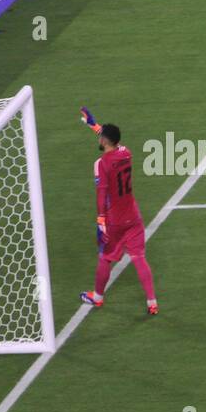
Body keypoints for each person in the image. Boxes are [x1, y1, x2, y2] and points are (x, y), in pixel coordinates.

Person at [79, 110, 158, 315]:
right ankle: (152, 302)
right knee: (139, 257)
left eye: (101, 135)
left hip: (114, 220)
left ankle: (97, 297)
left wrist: (100, 221)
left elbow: (101, 194)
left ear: (105, 140)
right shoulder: (126, 152)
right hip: (133, 215)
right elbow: (112, 142)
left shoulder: (101, 164)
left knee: (105, 257)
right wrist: (93, 125)